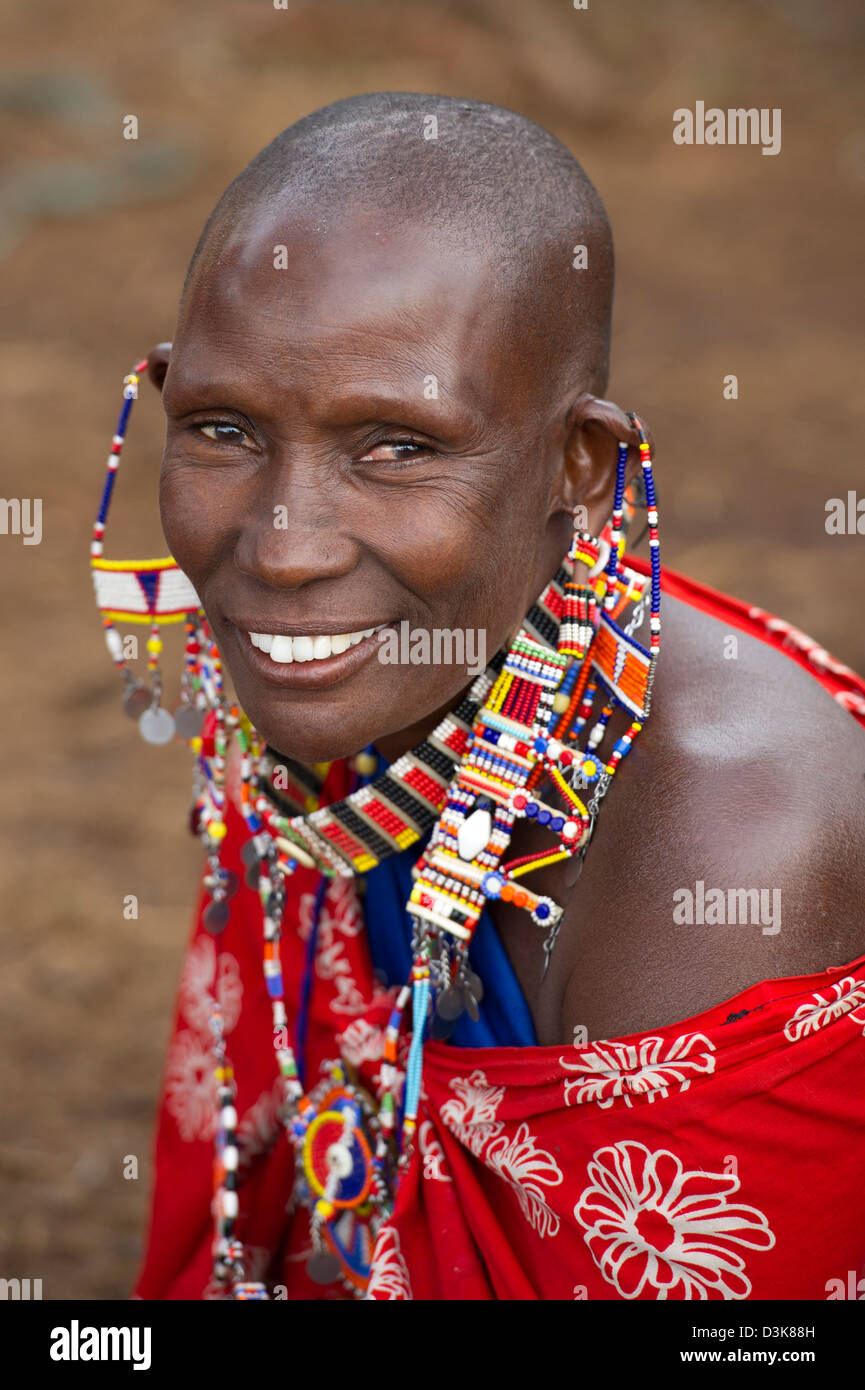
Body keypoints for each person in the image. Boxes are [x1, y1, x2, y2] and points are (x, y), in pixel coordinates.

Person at [129, 93, 865, 1301]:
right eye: (222, 428)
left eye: (398, 446)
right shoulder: (354, 664)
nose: (281, 548)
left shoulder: (725, 871)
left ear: (578, 466)